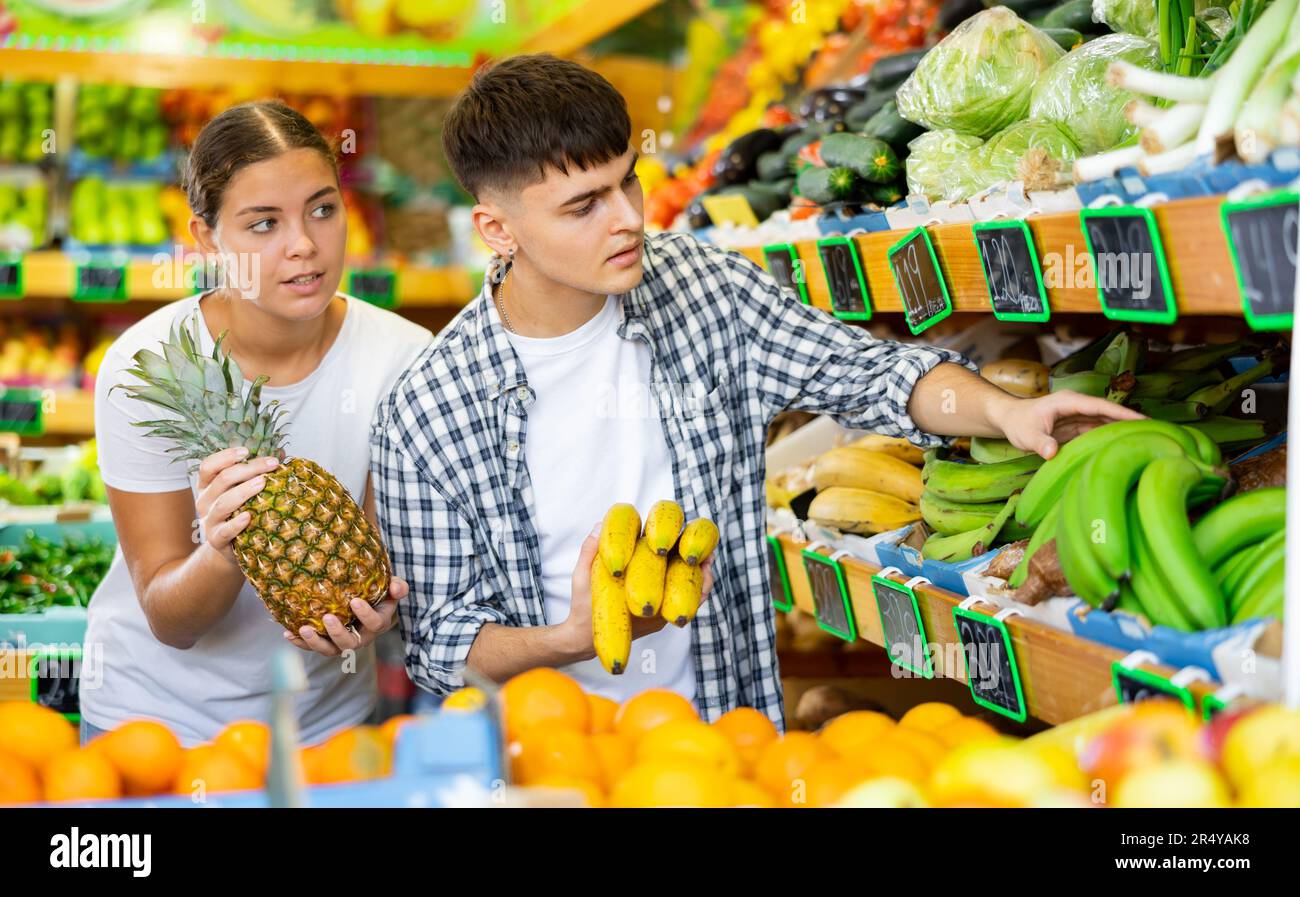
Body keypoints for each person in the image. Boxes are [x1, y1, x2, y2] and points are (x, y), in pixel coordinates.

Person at [370, 55, 1142, 725]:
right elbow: (440, 643)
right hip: (551, 762)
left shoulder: (700, 286)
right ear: (496, 229)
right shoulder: (429, 408)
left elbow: (867, 372)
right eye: (584, 205)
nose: (627, 220)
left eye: (627, 184)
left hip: (726, 744)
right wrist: (573, 635)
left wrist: (1006, 409)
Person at [81, 101, 431, 746]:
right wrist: (222, 550)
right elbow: (170, 618)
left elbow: (384, 552)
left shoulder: (403, 358)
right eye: (263, 223)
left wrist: (377, 603)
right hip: (155, 726)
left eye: (323, 209)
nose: (304, 244)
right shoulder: (148, 366)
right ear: (208, 239)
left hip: (325, 726)